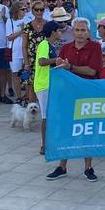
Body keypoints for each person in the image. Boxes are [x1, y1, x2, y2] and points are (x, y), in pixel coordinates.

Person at [44, 18, 101, 181]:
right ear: (73, 31)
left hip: (87, 95)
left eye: (83, 30)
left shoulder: (95, 47)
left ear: (88, 32)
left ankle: (88, 168)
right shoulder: (66, 48)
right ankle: (62, 167)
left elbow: (92, 71)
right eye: (77, 30)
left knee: (86, 130)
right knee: (65, 129)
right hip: (68, 95)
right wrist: (61, 67)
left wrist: (71, 67)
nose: (80, 33)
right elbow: (60, 70)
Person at [33, 21, 62, 155]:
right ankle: (44, 145)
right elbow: (42, 61)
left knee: (49, 115)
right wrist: (57, 60)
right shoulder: (44, 44)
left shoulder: (49, 45)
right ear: (52, 32)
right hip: (43, 84)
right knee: (45, 116)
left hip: (48, 83)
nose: (60, 33)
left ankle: (48, 143)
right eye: (58, 30)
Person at [5, 2, 27, 102]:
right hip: (15, 51)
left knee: (27, 74)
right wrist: (21, 31)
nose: (24, 11)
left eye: (25, 9)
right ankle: (18, 96)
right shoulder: (10, 21)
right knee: (15, 74)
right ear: (16, 11)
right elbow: (9, 37)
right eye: (22, 9)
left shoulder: (28, 19)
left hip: (26, 50)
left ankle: (27, 95)